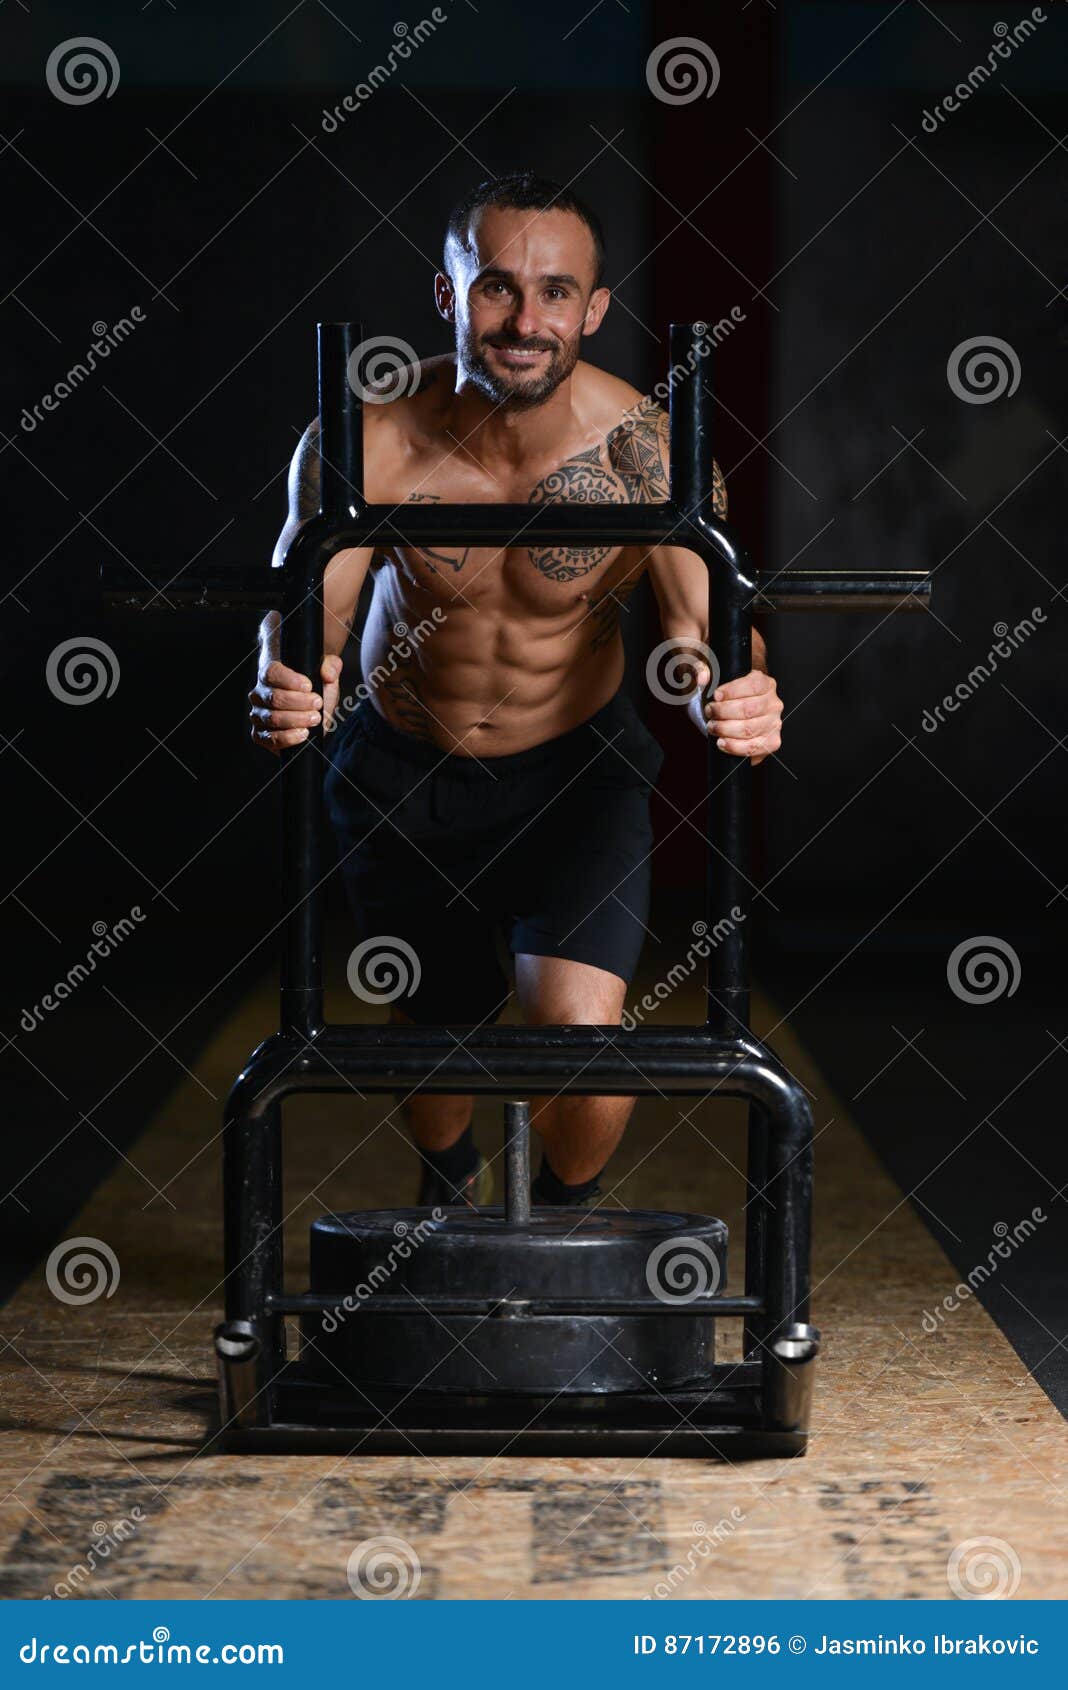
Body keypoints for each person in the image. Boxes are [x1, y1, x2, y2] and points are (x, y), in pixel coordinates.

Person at [249, 171, 783, 1210]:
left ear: (593, 310)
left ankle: (561, 1233)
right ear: (448, 295)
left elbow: (703, 629)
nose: (525, 321)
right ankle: (449, 1186)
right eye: (496, 287)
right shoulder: (368, 440)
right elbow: (307, 615)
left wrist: (737, 687)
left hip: (574, 771)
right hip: (402, 770)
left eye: (554, 292)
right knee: (438, 1021)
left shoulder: (647, 452)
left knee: (580, 1033)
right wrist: (286, 678)